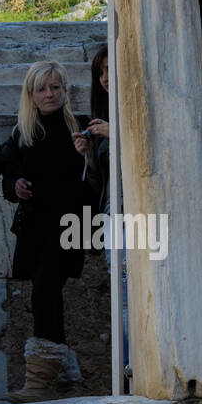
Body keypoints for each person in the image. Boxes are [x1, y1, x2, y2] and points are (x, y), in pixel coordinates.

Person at [0, 61, 96, 402]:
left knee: (46, 288)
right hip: (36, 225)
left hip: (72, 222)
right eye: (42, 89)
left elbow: (100, 179)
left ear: (65, 90)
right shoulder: (24, 131)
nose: (50, 94)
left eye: (56, 88)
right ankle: (65, 374)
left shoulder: (82, 128)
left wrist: (89, 155)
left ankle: (38, 382)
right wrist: (15, 185)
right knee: (45, 292)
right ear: (31, 95)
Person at [76, 43, 130, 379]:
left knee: (130, 295)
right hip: (114, 215)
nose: (106, 78)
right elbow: (102, 184)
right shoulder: (110, 116)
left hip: (137, 215)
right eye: (100, 72)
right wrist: (88, 156)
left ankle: (132, 369)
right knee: (122, 295)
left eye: (111, 69)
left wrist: (118, 133)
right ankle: (128, 370)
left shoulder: (133, 114)